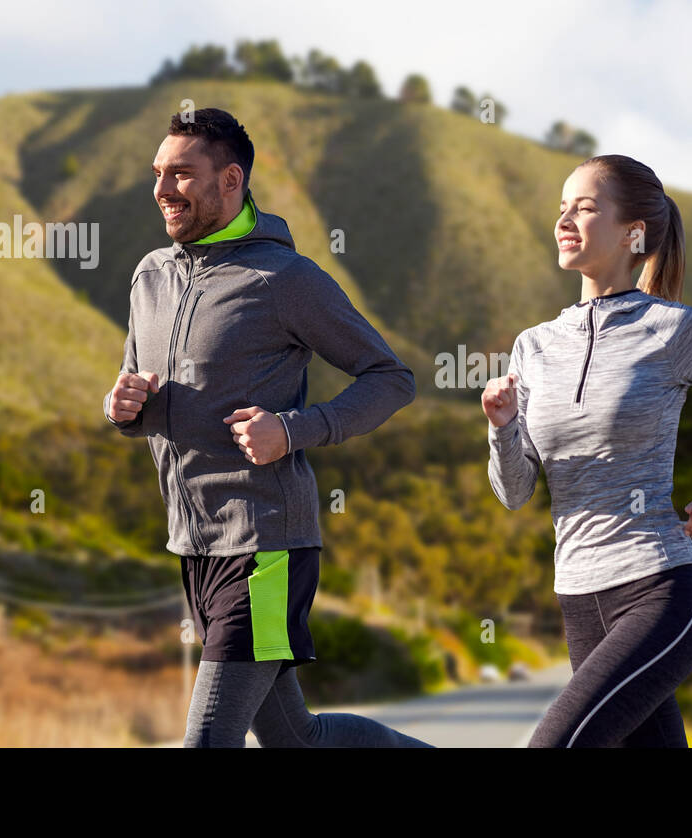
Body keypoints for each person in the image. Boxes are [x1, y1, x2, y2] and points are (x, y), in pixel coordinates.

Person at [104, 107, 430, 748]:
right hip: (193, 549)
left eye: (181, 174)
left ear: (230, 181)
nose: (163, 190)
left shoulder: (284, 279)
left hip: (267, 546)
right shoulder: (150, 276)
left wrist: (295, 429)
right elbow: (134, 394)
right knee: (296, 740)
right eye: (158, 173)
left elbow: (391, 378)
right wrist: (122, 407)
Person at [483, 154, 692, 747]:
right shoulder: (534, 347)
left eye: (585, 207)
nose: (565, 220)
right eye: (561, 208)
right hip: (578, 598)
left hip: (656, 586)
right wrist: (501, 427)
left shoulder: (674, 329)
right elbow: (516, 492)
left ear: (635, 233)